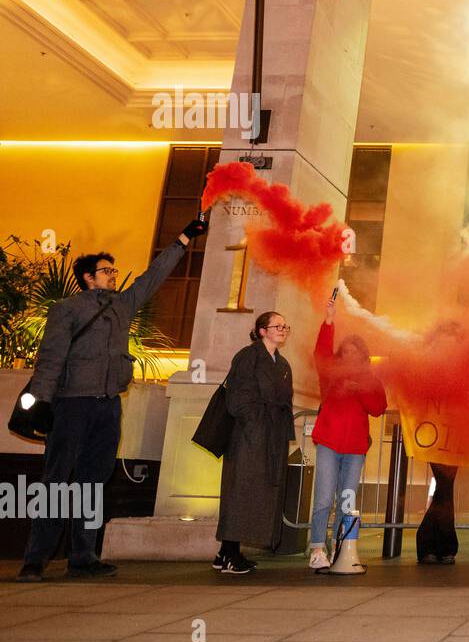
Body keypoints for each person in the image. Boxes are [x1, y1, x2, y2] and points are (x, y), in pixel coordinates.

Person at [16, 216, 207, 582]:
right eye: (107, 271)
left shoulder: (122, 305)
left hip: (107, 406)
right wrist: (40, 400)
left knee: (93, 480)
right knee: (57, 480)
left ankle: (83, 556)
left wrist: (183, 239)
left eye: (114, 270)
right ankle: (35, 559)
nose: (114, 275)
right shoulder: (67, 310)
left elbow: (152, 277)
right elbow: (51, 358)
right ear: (88, 276)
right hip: (72, 404)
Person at [307, 294, 387, 571]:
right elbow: (321, 352)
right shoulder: (330, 373)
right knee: (324, 497)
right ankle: (317, 548)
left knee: (347, 499)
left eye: (356, 353)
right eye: (346, 352)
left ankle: (343, 547)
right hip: (329, 441)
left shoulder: (370, 379)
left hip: (355, 447)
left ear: (363, 356)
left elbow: (379, 408)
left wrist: (361, 389)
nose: (350, 356)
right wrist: (329, 321)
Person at [213, 311, 296, 575]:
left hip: (271, 436)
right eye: (277, 325)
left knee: (257, 492)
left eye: (285, 326)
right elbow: (239, 397)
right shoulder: (248, 356)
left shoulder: (282, 363)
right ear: (262, 330)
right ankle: (229, 552)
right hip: (250, 436)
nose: (283, 329)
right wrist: (257, 423)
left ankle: (227, 552)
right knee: (242, 490)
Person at [416, 321, 464, 565]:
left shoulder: (464, 366)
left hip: (453, 436)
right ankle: (442, 545)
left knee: (445, 489)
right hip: (434, 436)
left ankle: (432, 546)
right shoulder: (428, 365)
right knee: (445, 488)